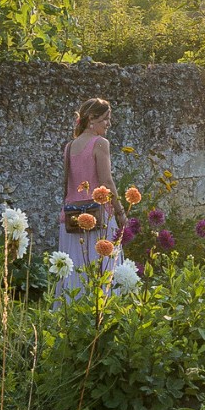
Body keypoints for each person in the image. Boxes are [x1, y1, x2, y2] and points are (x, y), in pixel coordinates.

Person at [56, 97, 127, 298]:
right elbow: (106, 180)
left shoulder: (70, 146)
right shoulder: (100, 143)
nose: (109, 124)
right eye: (106, 119)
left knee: (74, 271)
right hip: (98, 216)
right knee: (103, 268)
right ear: (92, 119)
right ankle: (104, 315)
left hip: (71, 218)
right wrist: (121, 212)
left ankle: (72, 314)